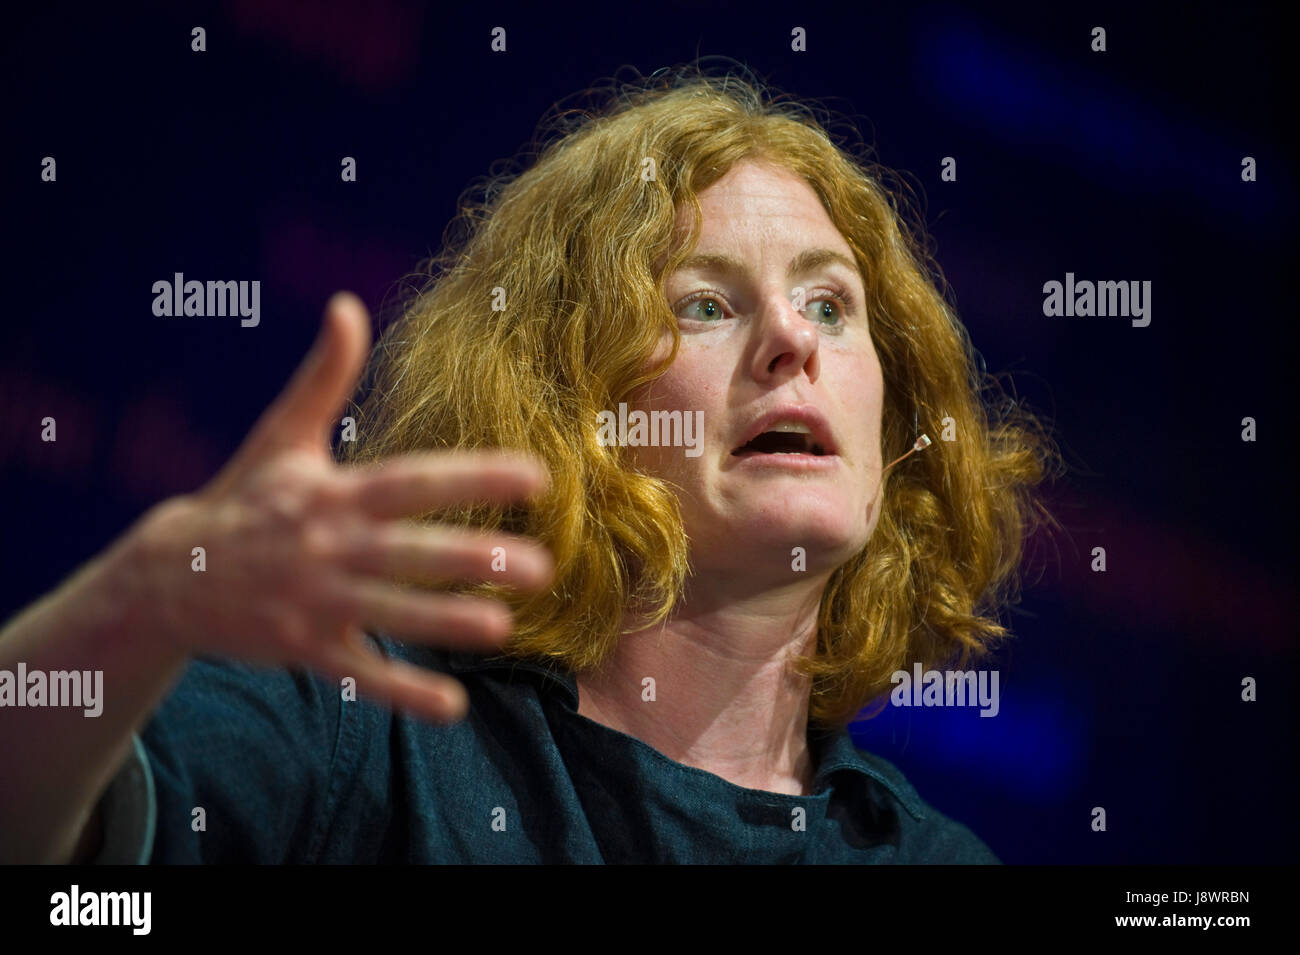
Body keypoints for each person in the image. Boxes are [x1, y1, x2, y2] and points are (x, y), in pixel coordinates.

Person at [0, 66, 1057, 864]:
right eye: (703, 303)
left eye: (831, 302)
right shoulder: (366, 740)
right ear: (563, 405)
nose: (794, 340)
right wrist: (139, 603)